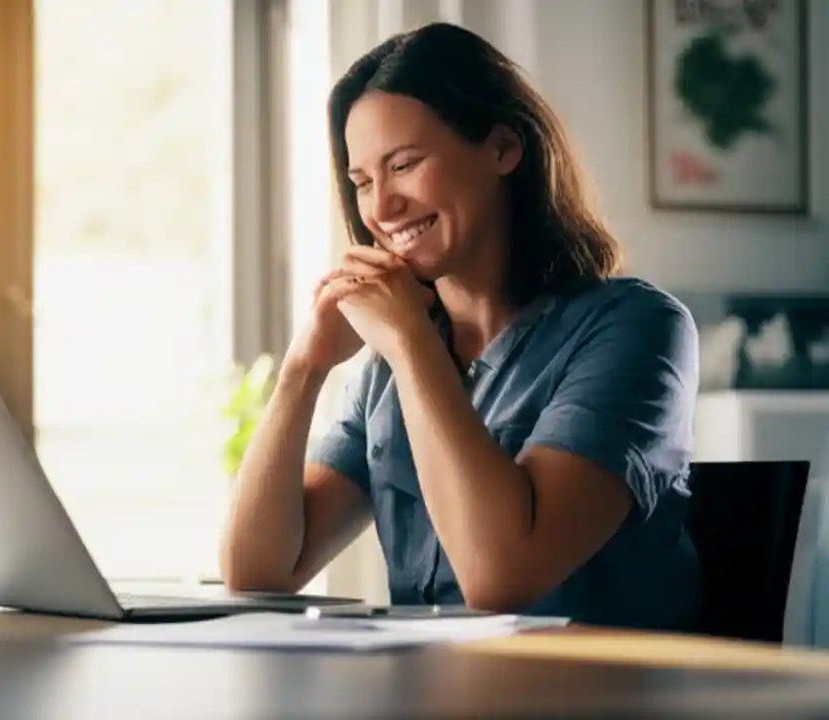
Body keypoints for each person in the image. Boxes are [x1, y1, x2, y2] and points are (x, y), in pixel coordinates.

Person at [219, 23, 699, 630]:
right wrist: (303, 367)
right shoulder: (391, 366)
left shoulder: (637, 328)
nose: (381, 208)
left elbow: (501, 579)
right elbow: (257, 572)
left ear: (502, 149)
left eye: (405, 164)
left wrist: (410, 344)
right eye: (363, 181)